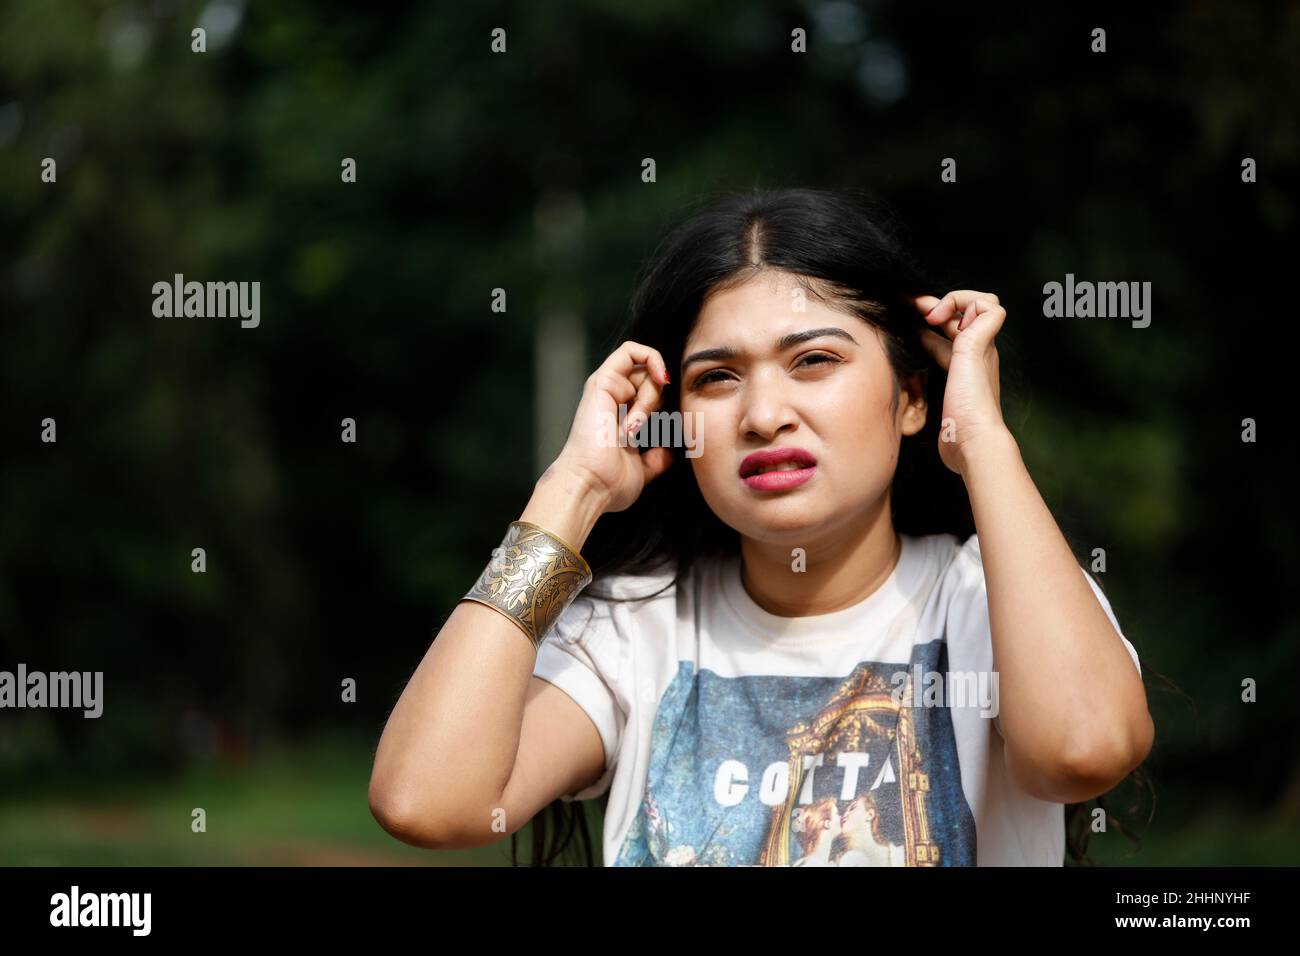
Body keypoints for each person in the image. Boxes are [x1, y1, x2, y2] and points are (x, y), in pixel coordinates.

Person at [368, 186, 1155, 867]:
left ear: (913, 398)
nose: (765, 415)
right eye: (717, 378)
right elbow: (425, 800)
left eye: (813, 361)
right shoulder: (637, 631)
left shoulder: (992, 602)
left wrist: (982, 440)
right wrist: (569, 491)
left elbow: (1083, 750)